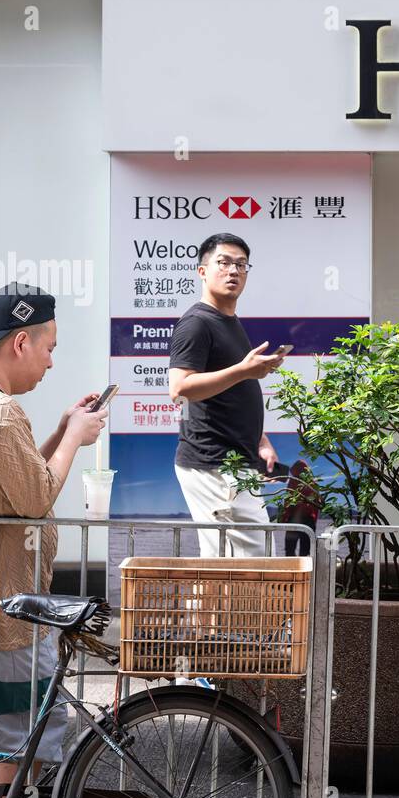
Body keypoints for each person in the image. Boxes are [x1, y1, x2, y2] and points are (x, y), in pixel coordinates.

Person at [0, 283, 106, 795]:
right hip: (4, 609)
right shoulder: (0, 413)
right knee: (14, 725)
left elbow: (16, 480)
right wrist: (75, 437)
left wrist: (59, 429)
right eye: (50, 348)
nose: (51, 363)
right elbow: (34, 497)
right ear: (22, 342)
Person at [168, 233, 284, 557]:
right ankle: (206, 611)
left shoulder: (228, 321)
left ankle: (203, 611)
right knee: (247, 566)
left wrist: (260, 439)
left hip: (234, 462)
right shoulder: (196, 324)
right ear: (202, 271)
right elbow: (178, 388)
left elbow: (230, 393)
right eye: (224, 262)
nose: (233, 270)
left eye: (241, 264)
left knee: (228, 563)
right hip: (213, 464)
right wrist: (244, 371)